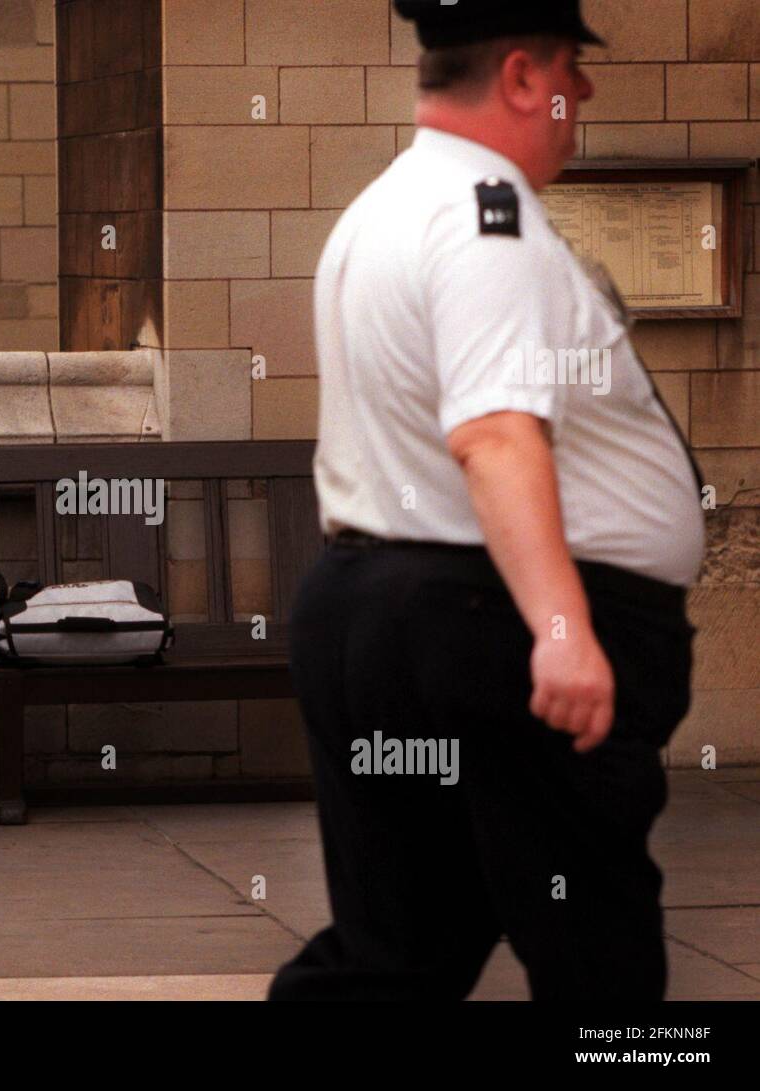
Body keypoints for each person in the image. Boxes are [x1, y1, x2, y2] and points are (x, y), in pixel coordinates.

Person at [269, 0, 705, 1001]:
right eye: (567, 68)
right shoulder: (485, 214)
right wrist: (562, 627)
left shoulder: (382, 206)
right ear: (518, 78)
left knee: (403, 941)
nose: (581, 92)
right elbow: (494, 432)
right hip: (489, 625)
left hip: (379, 606)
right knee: (597, 943)